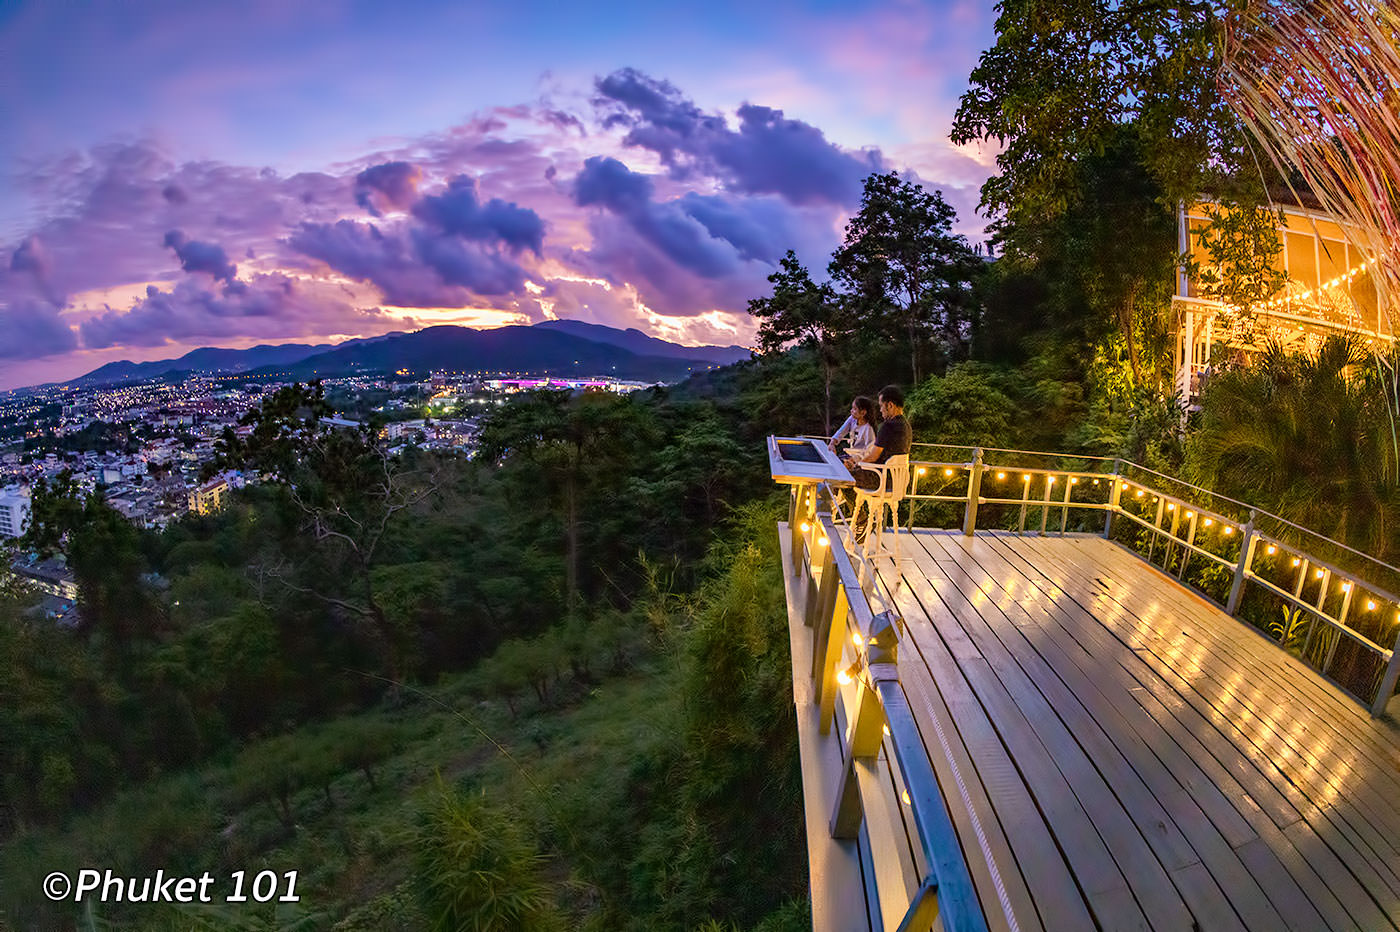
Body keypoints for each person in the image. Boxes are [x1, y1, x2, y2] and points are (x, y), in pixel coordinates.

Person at [847, 385, 912, 539]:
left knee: (844, 478)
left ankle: (862, 520)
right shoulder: (906, 426)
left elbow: (873, 456)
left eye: (882, 406)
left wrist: (856, 464)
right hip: (898, 482)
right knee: (849, 473)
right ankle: (863, 520)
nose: (880, 411)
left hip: (881, 480)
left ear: (890, 405)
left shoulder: (888, 426)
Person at [829, 396, 877, 463]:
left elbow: (869, 450)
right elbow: (841, 431)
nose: (851, 411)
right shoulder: (852, 419)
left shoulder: (868, 429)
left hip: (860, 459)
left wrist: (854, 460)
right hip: (850, 455)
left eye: (854, 409)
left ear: (863, 412)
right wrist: (832, 443)